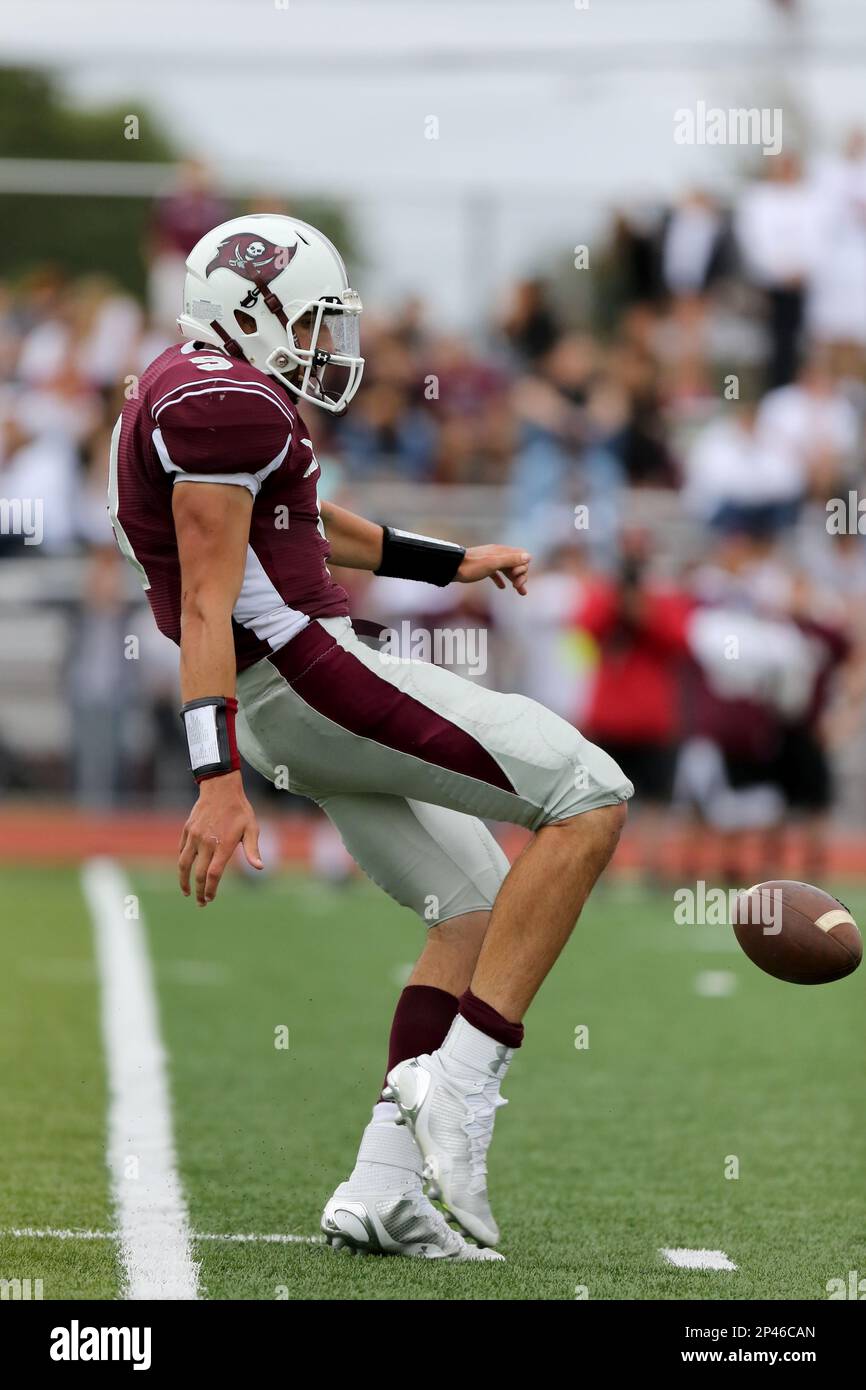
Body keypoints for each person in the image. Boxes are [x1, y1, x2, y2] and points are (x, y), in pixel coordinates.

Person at [108, 214, 632, 1263]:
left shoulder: (198, 381)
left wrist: (448, 561)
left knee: (474, 907)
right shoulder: (222, 404)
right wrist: (211, 779)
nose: (319, 341)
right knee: (588, 790)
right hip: (305, 676)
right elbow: (209, 604)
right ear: (244, 308)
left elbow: (305, 516)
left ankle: (382, 1187)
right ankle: (464, 1080)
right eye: (305, 317)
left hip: (286, 691)